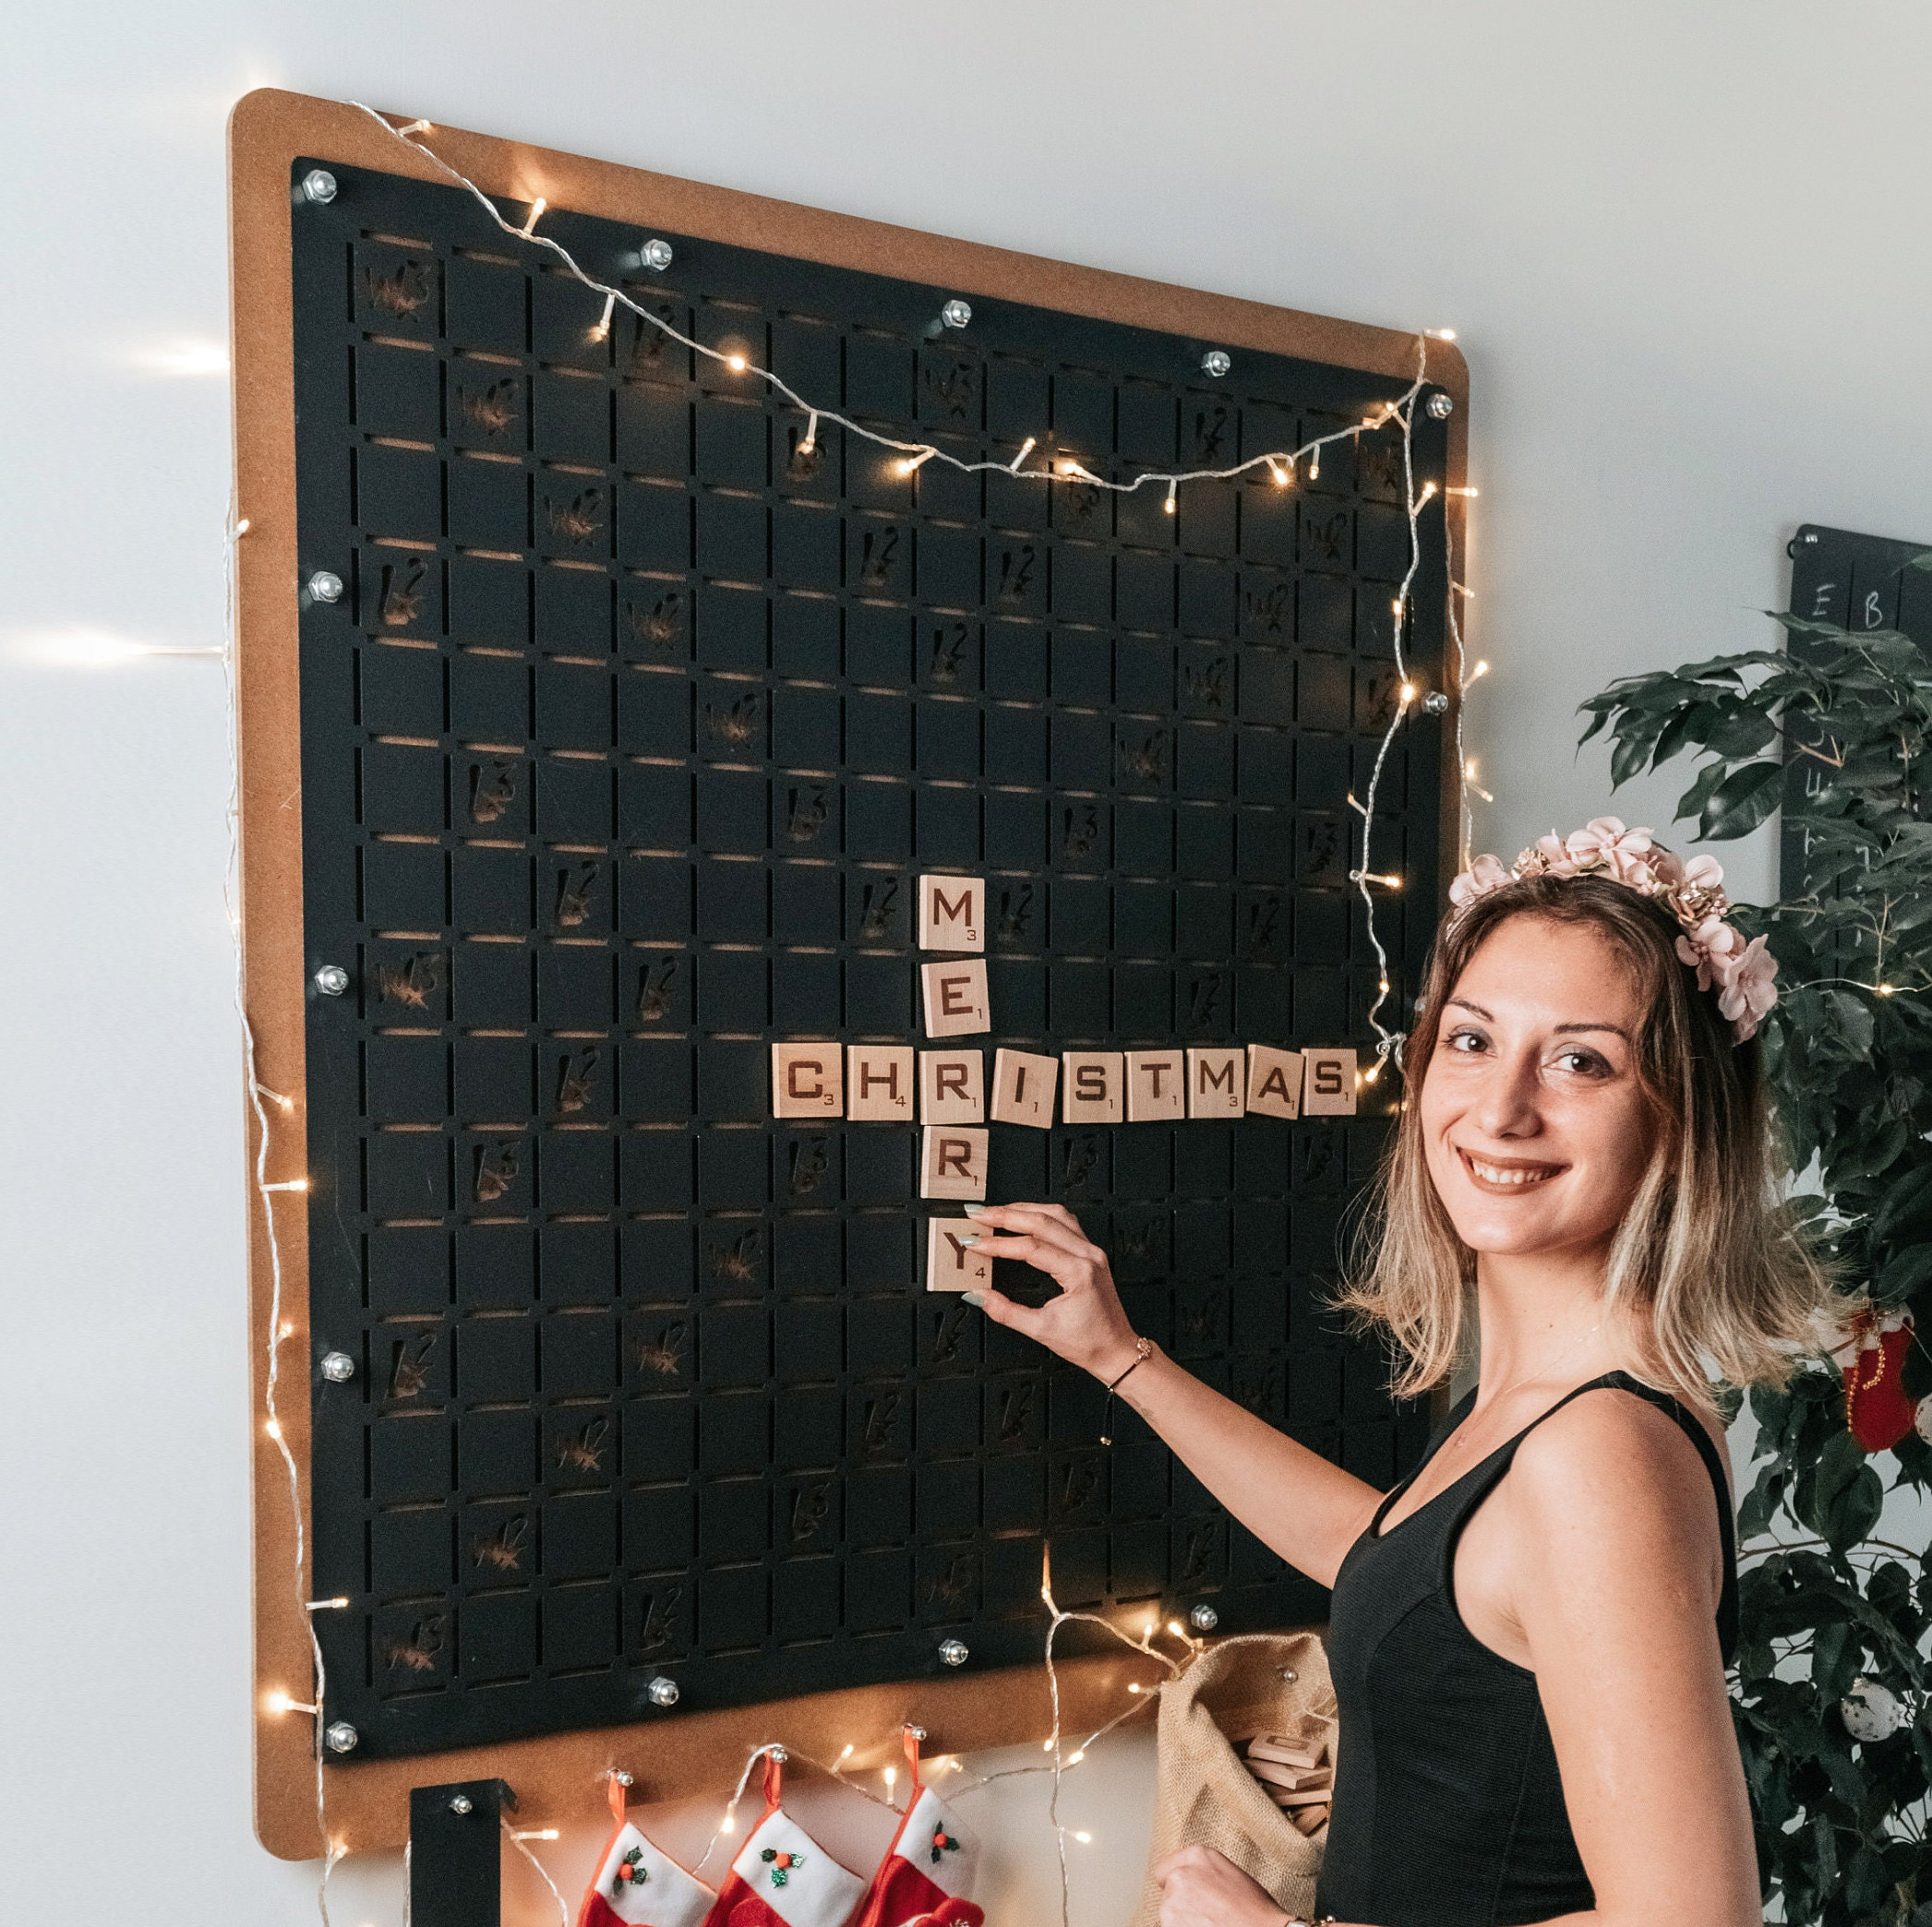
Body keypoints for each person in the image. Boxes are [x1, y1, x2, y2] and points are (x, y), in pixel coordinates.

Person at [955, 819, 1840, 1927]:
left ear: (1677, 1114)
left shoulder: (1593, 1454)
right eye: (1471, 1041)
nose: (1501, 1109)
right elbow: (1401, 1564)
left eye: (1579, 1061)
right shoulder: (1538, 1409)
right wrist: (1124, 1362)